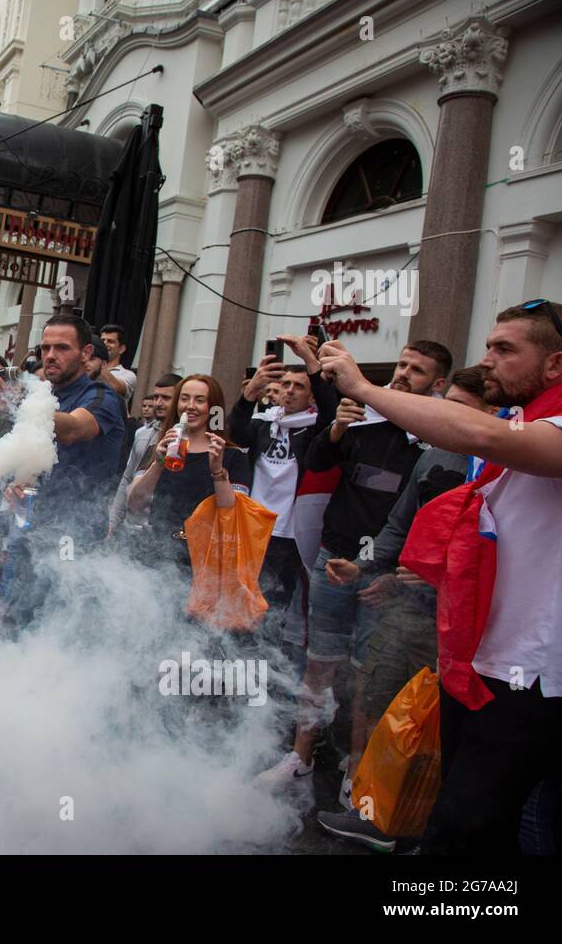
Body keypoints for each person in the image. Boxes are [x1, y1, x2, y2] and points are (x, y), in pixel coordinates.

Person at [319, 299, 562, 855]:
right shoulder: (521, 420)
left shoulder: (556, 425)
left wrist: (365, 387)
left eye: (505, 349)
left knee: (469, 829)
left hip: (533, 676)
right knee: (474, 826)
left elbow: (478, 436)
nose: (488, 360)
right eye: (488, 346)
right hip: (482, 661)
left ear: (554, 366)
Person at [256, 340, 452, 797]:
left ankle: (356, 771)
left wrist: (388, 570)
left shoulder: (440, 437)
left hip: (385, 576)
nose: (402, 374)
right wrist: (337, 430)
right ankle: (300, 756)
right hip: (333, 558)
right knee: (319, 663)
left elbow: (427, 516)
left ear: (438, 384)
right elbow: (317, 463)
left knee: (370, 675)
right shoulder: (366, 417)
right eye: (401, 364)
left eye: (416, 370)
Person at [314, 366, 493, 852]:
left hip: (471, 622)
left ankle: (419, 823)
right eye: (445, 404)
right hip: (409, 610)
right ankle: (368, 807)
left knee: (447, 726)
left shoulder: (500, 460)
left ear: (490, 416)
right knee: (378, 698)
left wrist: (436, 573)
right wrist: (363, 566)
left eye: (460, 408)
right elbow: (397, 527)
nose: (444, 416)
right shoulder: (433, 454)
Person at [0, 313, 126, 629]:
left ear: (86, 354)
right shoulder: (45, 396)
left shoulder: (101, 396)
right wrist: (14, 484)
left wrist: (23, 405)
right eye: (45, 348)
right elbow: (27, 457)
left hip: (73, 535)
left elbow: (74, 429)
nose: (51, 355)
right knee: (14, 623)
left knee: (56, 627)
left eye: (62, 348)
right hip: (29, 529)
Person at [227, 335, 339, 645]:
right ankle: (235, 658)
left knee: (274, 604)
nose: (289, 390)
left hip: (287, 533)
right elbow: (236, 431)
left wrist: (311, 362)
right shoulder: (265, 422)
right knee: (241, 598)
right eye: (286, 384)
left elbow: (331, 413)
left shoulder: (316, 426)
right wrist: (251, 390)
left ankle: (267, 665)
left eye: (299, 386)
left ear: (311, 396)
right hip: (252, 528)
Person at [126, 374, 252, 572]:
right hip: (155, 558)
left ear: (213, 408)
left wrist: (217, 471)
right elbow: (134, 504)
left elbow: (233, 514)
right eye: (184, 398)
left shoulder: (233, 456)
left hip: (206, 562)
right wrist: (158, 465)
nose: (190, 406)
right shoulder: (159, 448)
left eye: (200, 400)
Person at [108, 373, 182, 538]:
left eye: (166, 398)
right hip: (130, 529)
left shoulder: (186, 440)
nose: (158, 403)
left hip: (163, 532)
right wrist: (113, 521)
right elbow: (127, 479)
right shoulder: (142, 434)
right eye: (156, 397)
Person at [98, 324, 139, 414]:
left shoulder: (128, 374)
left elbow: (116, 387)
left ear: (121, 349)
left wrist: (99, 363)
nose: (105, 344)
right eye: (102, 340)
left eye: (110, 341)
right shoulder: (88, 368)